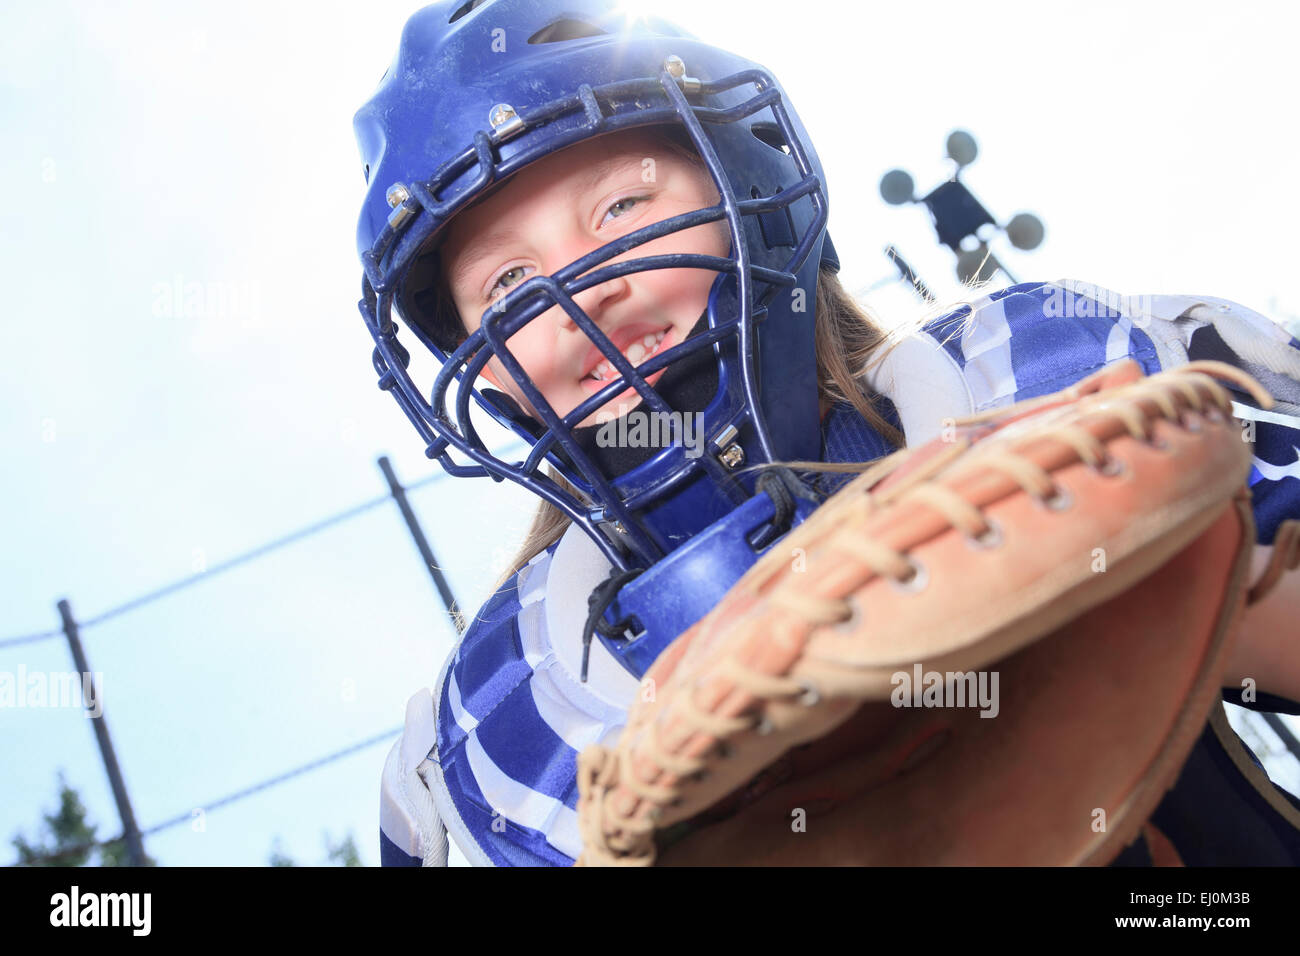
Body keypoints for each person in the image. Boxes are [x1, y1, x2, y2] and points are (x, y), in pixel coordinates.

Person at [356, 0, 1300, 867]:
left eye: (621, 206)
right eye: (513, 287)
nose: (584, 292)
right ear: (481, 369)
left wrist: (1191, 589)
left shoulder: (1037, 366)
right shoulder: (492, 721)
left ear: (747, 186)